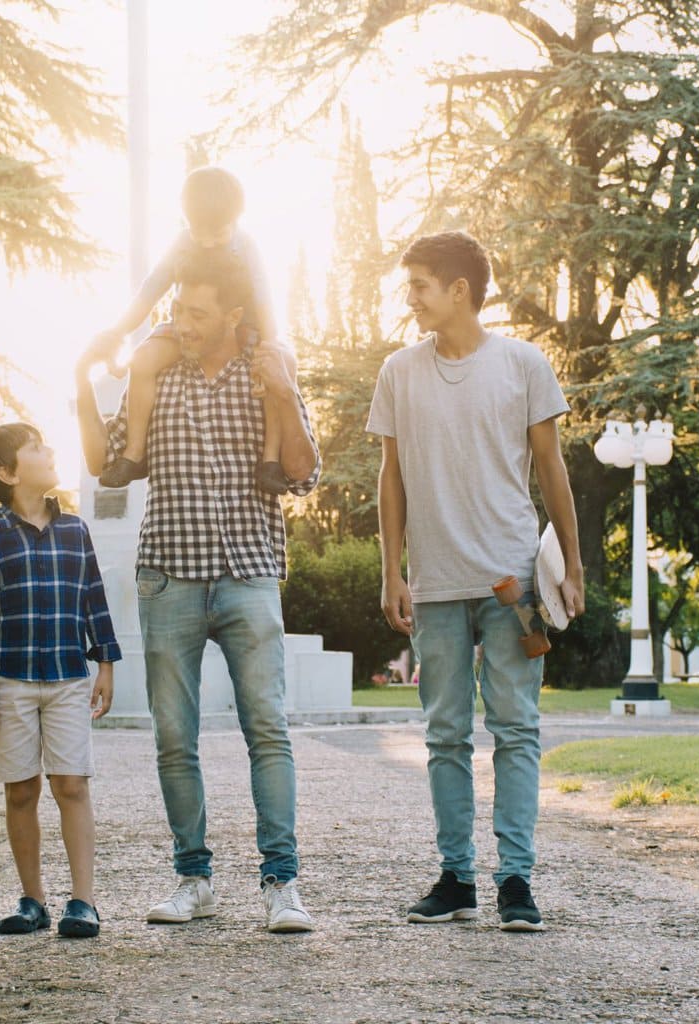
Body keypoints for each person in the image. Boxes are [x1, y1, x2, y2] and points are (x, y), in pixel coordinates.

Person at [75, 246, 322, 934]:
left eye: (195, 311)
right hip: (168, 577)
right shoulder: (157, 375)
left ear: (232, 314)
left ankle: (282, 884)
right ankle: (194, 878)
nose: (181, 321)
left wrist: (282, 392)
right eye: (177, 308)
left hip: (248, 573)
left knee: (267, 731)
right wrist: (82, 381)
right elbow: (110, 460)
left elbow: (304, 473)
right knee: (174, 738)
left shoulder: (266, 370)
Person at [367, 230, 586, 932]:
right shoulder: (400, 371)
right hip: (433, 587)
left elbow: (552, 470)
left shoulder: (523, 364)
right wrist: (391, 570)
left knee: (517, 730)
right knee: (445, 734)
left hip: (513, 586)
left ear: (459, 289)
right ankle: (456, 877)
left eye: (421, 286)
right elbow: (390, 478)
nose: (412, 300)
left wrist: (573, 565)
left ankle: (516, 880)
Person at [0, 423, 122, 938]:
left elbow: (94, 599)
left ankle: (83, 902)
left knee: (71, 785)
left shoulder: (75, 530)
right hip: (11, 683)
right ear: (8, 473)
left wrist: (107, 664)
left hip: (70, 679)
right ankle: (33, 900)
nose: (49, 450)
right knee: (21, 792)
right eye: (36, 448)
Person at [89, 165, 294, 494]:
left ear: (236, 219)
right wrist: (117, 332)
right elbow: (150, 291)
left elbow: (265, 301)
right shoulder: (182, 243)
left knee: (276, 369)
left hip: (247, 324)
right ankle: (134, 452)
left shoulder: (246, 245)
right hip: (193, 321)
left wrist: (269, 351)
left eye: (218, 233)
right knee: (141, 361)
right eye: (200, 232)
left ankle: (270, 461)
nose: (208, 241)